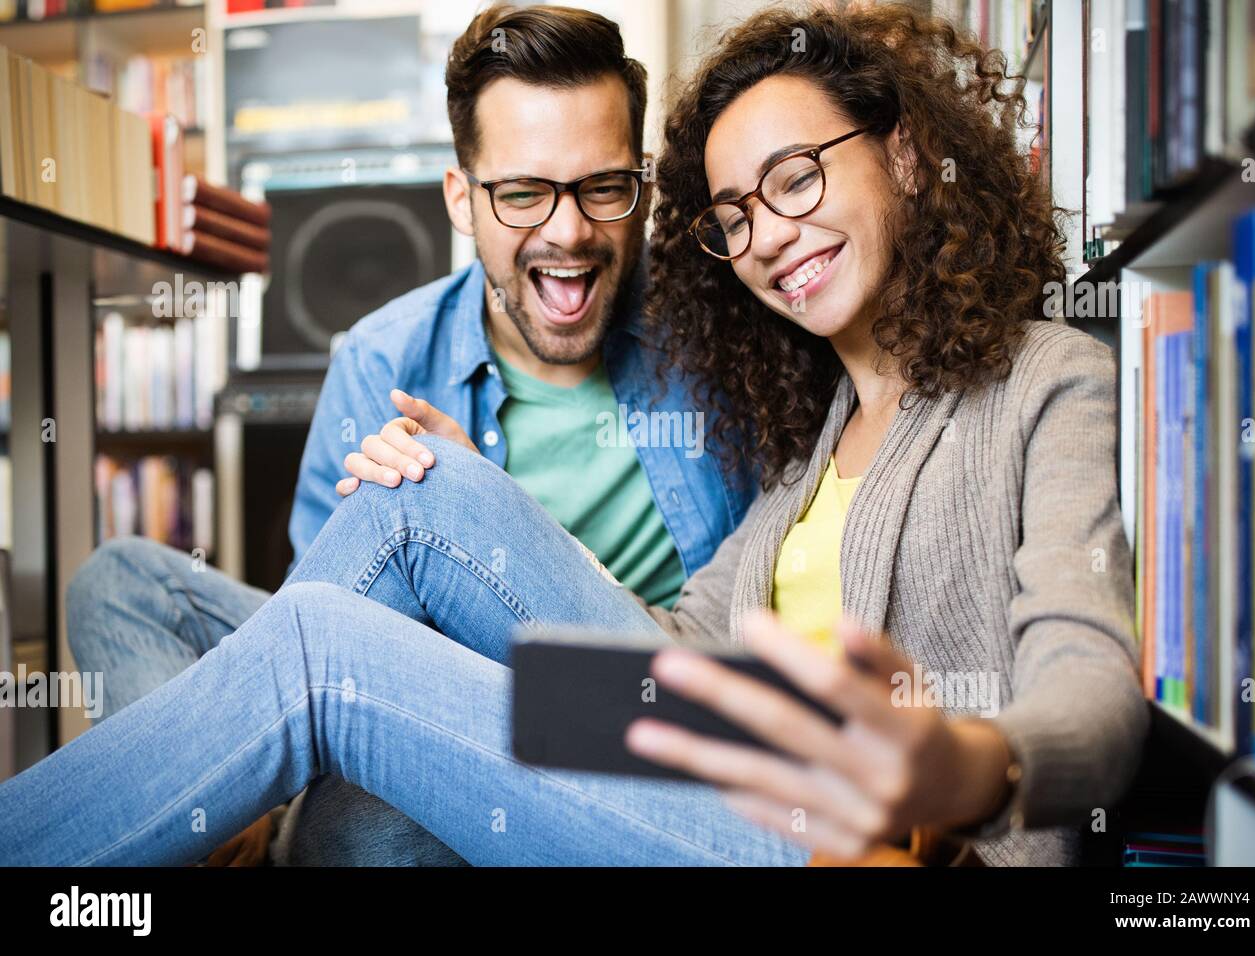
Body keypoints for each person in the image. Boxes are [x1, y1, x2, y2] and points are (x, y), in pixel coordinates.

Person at [0, 2, 1147, 867]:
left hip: (821, 835)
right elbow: (667, 641)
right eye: (737, 214)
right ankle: (246, 803)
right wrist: (469, 519)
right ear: (465, 199)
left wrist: (960, 764)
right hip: (697, 760)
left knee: (323, 659)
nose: (767, 236)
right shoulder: (821, 438)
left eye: (795, 179)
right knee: (175, 580)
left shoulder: (1046, 381)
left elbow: (1094, 695)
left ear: (901, 153)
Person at [64, 4, 754, 866]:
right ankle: (233, 816)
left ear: (642, 185)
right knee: (119, 581)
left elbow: (728, 639)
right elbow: (327, 622)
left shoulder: (726, 344)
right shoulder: (382, 356)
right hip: (395, 693)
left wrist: (483, 509)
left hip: (586, 720)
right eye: (523, 193)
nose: (569, 231)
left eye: (603, 186)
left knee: (366, 826)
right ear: (462, 199)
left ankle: (225, 817)